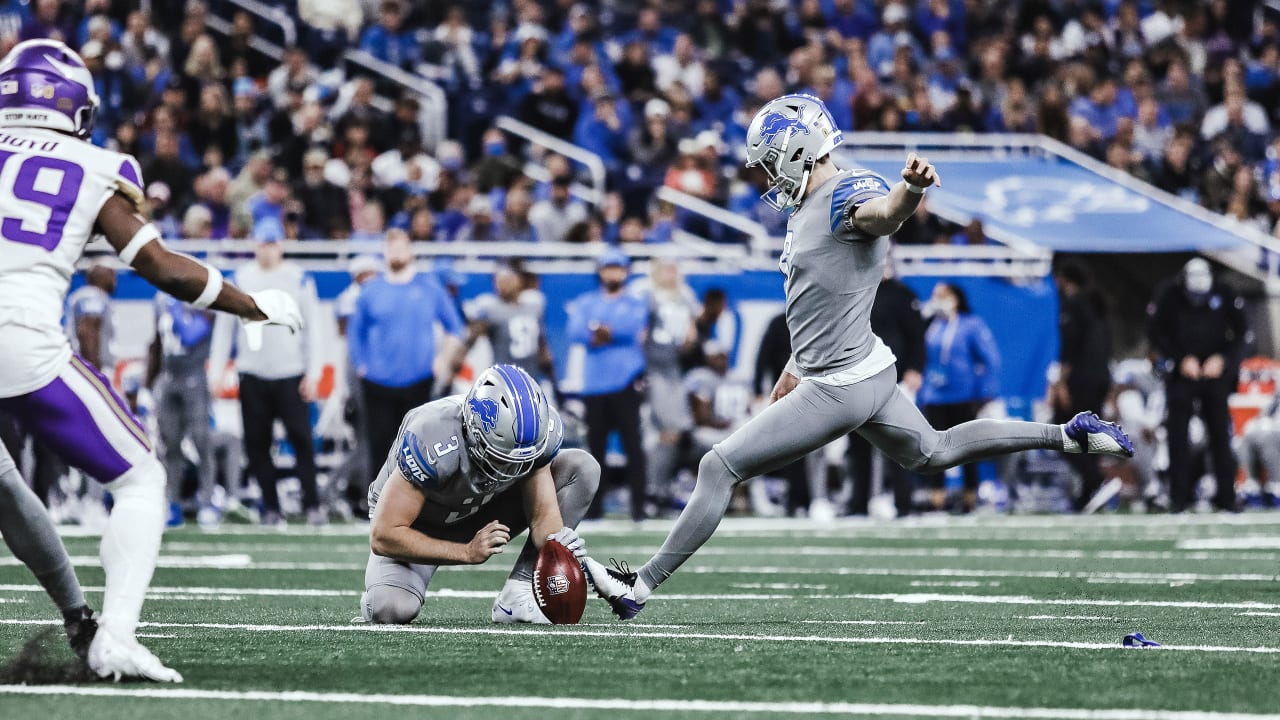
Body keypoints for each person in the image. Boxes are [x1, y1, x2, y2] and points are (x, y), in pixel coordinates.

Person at [585, 93, 1132, 619]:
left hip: (838, 386)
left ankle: (641, 584)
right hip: (864, 370)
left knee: (717, 465)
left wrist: (910, 192)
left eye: (768, 164)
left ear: (795, 152)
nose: (765, 177)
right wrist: (793, 365)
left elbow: (881, 213)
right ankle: (1068, 434)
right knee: (934, 451)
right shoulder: (814, 201)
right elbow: (822, 297)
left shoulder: (848, 192)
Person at [0, 39, 302, 680]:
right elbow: (159, 266)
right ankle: (115, 636)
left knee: (3, 485)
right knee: (141, 480)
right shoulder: (92, 164)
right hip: (20, 341)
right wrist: (250, 305)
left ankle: (80, 620)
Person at [361, 364, 600, 625]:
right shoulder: (433, 436)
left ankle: (519, 592)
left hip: (483, 510)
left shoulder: (536, 433)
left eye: (521, 461)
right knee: (391, 608)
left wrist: (559, 544)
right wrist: (466, 552)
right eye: (501, 458)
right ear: (474, 432)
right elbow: (384, 534)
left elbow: (543, 520)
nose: (512, 470)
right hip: (419, 524)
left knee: (582, 468)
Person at [209, 219, 324, 528]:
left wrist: (313, 372)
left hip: (291, 373)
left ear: (281, 245)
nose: (268, 250)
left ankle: (312, 504)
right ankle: (271, 507)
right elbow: (225, 328)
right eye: (263, 243)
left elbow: (314, 329)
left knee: (302, 440)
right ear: (255, 244)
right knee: (257, 444)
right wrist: (217, 369)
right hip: (253, 373)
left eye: (272, 243)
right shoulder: (241, 278)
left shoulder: (298, 278)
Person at [348, 229, 466, 512]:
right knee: (379, 445)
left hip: (418, 380)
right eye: (392, 247)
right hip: (377, 381)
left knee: (419, 445)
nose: (397, 253)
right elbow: (355, 333)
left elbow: (456, 328)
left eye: (402, 247)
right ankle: (378, 506)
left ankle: (418, 506)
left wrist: (442, 360)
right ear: (385, 253)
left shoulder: (428, 288)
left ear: (411, 251)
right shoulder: (371, 291)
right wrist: (362, 365)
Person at [1147, 258, 1247, 513]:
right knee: (1177, 435)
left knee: (1220, 435)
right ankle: (1178, 497)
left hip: (1215, 374)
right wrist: (1180, 359)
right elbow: (1156, 332)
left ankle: (1226, 495)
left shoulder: (1225, 293)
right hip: (1182, 374)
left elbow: (1242, 333)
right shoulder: (1169, 294)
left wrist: (1223, 359)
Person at [567, 249, 650, 521]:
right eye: (608, 268)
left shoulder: (635, 302)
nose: (613, 273)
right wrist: (605, 332)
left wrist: (602, 331)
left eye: (618, 268)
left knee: (633, 446)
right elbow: (575, 331)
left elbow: (629, 327)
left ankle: (639, 505)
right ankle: (594, 507)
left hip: (626, 381)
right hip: (595, 385)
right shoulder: (586, 301)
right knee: (596, 449)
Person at [846, 252, 925, 517]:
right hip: (859, 377)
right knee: (858, 446)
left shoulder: (902, 295)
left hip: (894, 379)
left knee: (898, 442)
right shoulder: (854, 291)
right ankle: (858, 503)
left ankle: (904, 502)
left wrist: (915, 368)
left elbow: (917, 337)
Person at [918, 282, 1001, 513]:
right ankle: (937, 499)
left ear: (955, 298)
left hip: (964, 395)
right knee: (934, 449)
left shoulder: (971, 325)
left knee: (966, 448)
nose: (937, 300)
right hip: (935, 395)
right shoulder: (931, 325)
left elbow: (990, 359)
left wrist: (985, 392)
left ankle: (969, 499)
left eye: (942, 296)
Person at [633, 258, 699, 514]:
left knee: (673, 433)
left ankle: (659, 488)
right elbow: (638, 332)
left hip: (673, 369)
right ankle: (652, 489)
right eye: (667, 268)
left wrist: (689, 338)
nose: (672, 274)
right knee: (663, 432)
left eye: (675, 268)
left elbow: (691, 335)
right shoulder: (645, 292)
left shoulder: (685, 295)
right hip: (653, 368)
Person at [148, 291, 218, 528]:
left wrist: (173, 307)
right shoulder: (165, 304)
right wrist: (149, 385)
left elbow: (190, 336)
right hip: (169, 380)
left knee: (201, 442)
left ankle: (207, 501)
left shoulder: (204, 306)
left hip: (194, 380)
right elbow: (156, 344)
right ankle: (173, 503)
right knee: (171, 446)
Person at [1051, 261, 1114, 511]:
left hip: (1081, 379)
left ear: (1065, 278)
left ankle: (1096, 480)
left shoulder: (1072, 304)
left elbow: (1070, 348)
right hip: (1101, 377)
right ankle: (1089, 494)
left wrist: (1061, 383)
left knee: (1060, 432)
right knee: (1089, 435)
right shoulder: (1097, 306)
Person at [467, 264, 553, 382]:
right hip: (502, 381)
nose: (501, 284)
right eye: (497, 280)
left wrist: (553, 380)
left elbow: (543, 347)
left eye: (506, 279)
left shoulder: (534, 306)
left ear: (519, 280)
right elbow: (467, 342)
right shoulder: (490, 310)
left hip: (530, 379)